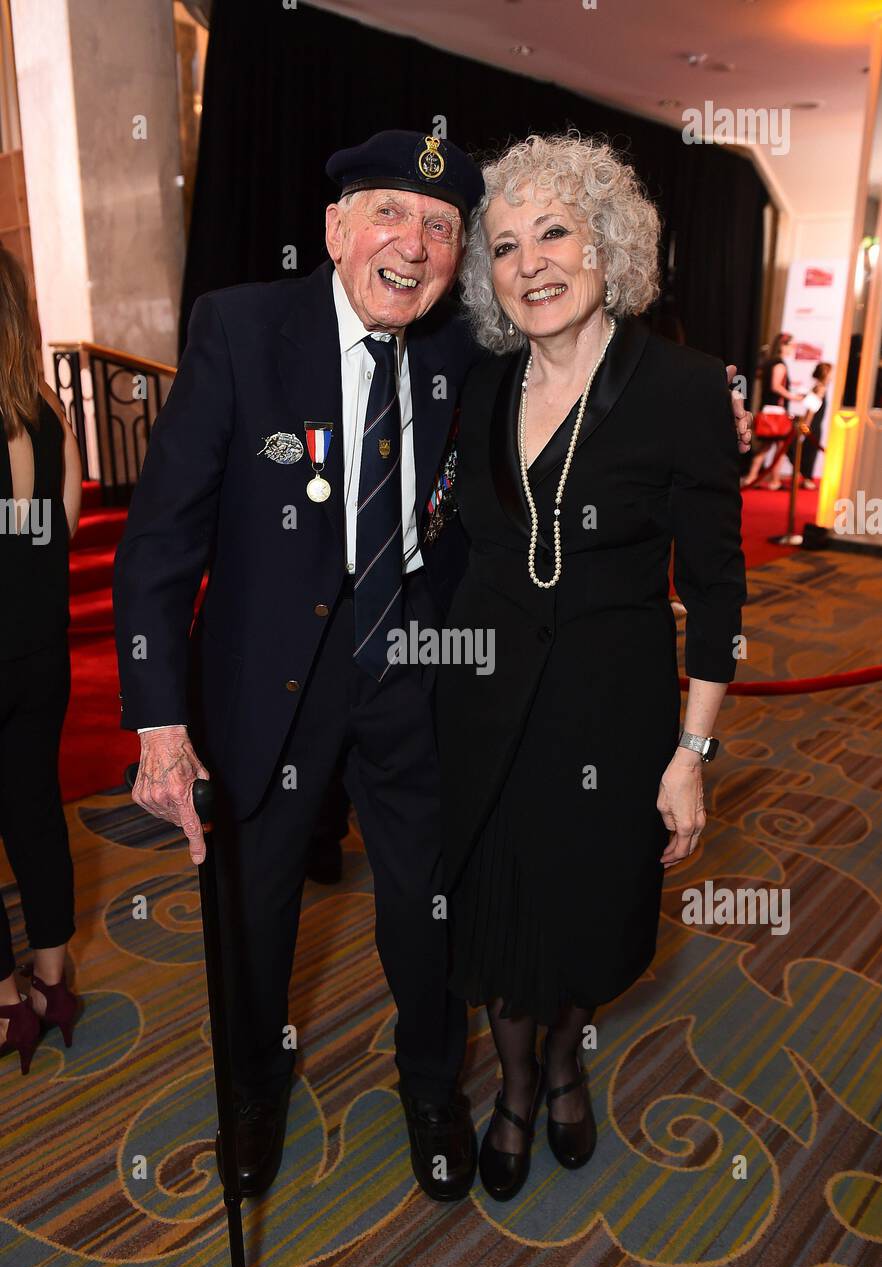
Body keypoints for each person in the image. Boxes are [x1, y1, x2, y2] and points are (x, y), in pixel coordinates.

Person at [113, 129, 752, 1205]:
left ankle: (432, 1089)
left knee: (428, 905)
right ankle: (253, 1091)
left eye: (443, 227)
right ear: (335, 230)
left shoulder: (466, 350)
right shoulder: (241, 329)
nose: (412, 244)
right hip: (270, 679)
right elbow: (160, 542)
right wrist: (159, 723)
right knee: (255, 907)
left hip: (423, 667)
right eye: (389, 214)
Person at [436, 133, 748, 1201]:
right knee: (499, 911)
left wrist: (693, 753)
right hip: (482, 715)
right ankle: (518, 1085)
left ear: (606, 249)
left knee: (581, 913)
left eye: (554, 233)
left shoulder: (682, 387)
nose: (530, 263)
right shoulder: (482, 385)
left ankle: (566, 1060)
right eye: (505, 245)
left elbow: (717, 589)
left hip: (612, 720)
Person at [0, 246, 82, 1074]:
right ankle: (53, 984)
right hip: (41, 654)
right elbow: (61, 524)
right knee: (34, 810)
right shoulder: (51, 412)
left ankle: (3, 1003)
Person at [741, 331, 804, 489]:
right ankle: (768, 480)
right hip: (775, 411)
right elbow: (775, 386)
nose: (792, 349)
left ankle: (756, 477)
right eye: (791, 345)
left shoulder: (770, 363)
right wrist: (793, 397)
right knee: (775, 447)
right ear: (783, 346)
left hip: (769, 410)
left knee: (769, 446)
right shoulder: (779, 364)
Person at [788, 361, 832, 490]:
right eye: (830, 373)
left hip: (813, 424)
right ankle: (807, 479)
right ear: (825, 374)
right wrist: (806, 424)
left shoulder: (818, 387)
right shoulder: (820, 388)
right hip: (813, 425)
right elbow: (812, 408)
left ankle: (803, 477)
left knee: (807, 451)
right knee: (809, 452)